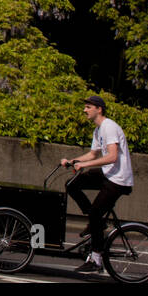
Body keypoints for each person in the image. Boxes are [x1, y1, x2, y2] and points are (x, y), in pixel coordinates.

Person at [62, 94, 133, 274]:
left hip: (118, 179)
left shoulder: (109, 127)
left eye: (88, 107)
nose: (84, 110)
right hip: (108, 174)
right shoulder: (98, 130)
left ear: (99, 109)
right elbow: (93, 155)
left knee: (95, 212)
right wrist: (73, 161)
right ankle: (97, 224)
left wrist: (83, 165)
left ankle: (96, 260)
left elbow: (112, 156)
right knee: (72, 184)